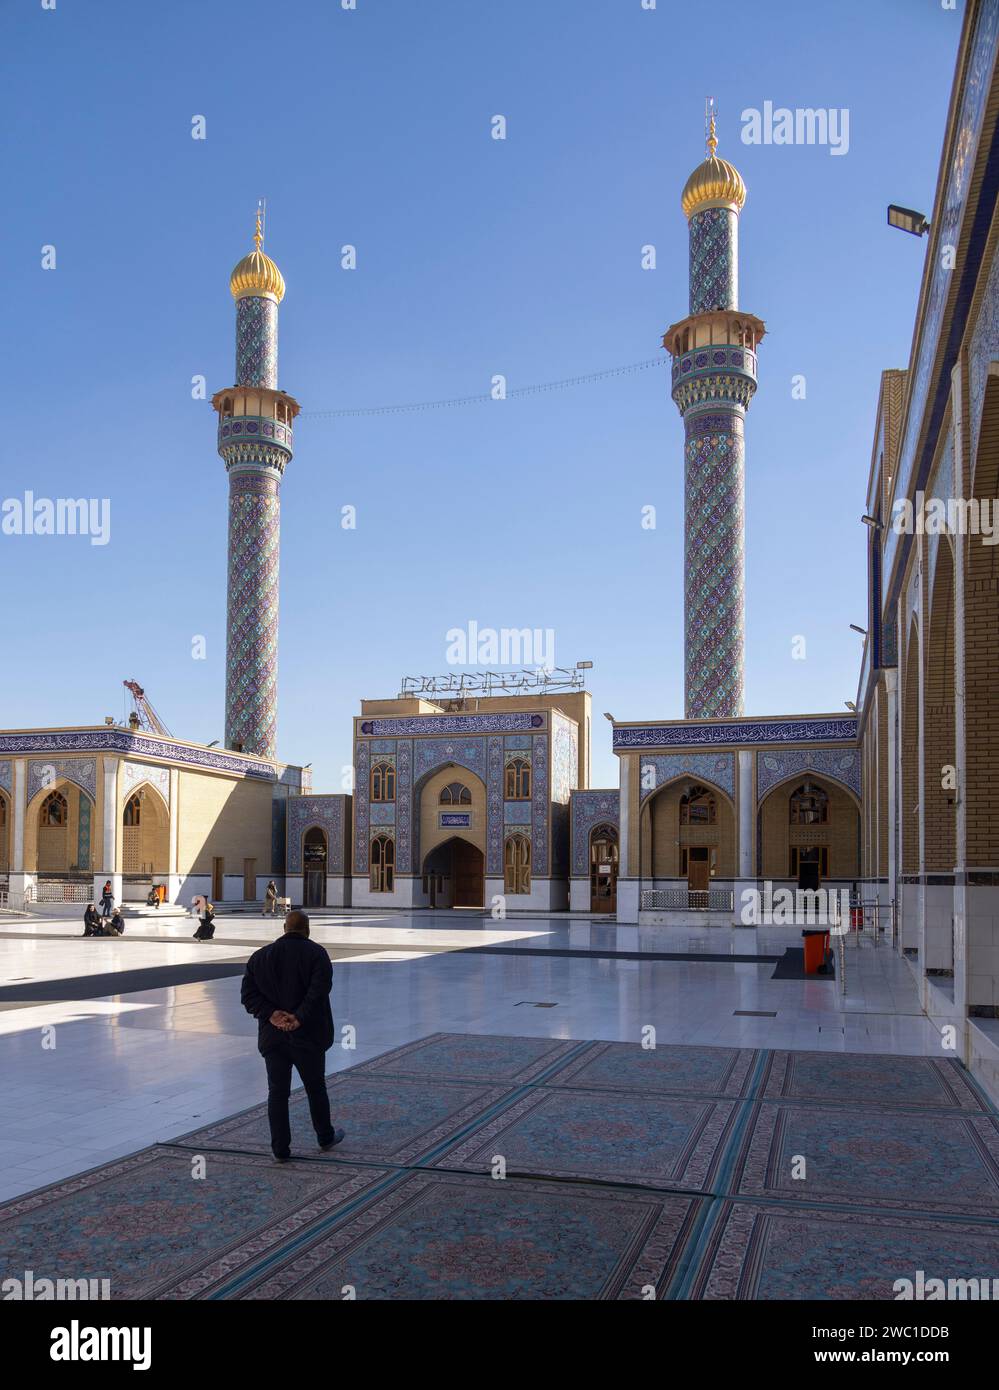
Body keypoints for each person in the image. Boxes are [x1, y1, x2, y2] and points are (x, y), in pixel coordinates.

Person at [240, 909, 344, 1163]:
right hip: (308, 1036)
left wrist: (272, 1014)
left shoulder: (260, 957)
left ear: (284, 928)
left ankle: (280, 1149)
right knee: (315, 1087)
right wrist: (299, 1017)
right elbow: (318, 991)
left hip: (273, 1037)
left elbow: (248, 996)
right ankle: (325, 1136)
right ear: (307, 930)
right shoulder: (317, 954)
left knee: (277, 1092)